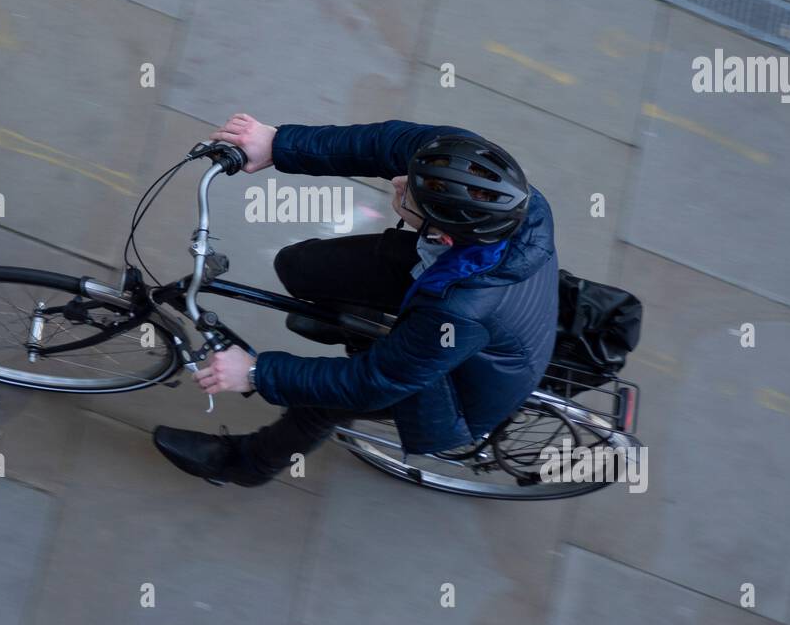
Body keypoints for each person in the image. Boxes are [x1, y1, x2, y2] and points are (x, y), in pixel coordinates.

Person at [153, 113, 559, 487]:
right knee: (301, 266)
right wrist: (277, 144)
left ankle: (247, 465)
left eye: (410, 200)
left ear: (444, 236)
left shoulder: (459, 312)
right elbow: (385, 143)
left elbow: (373, 383)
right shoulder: (485, 182)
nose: (398, 183)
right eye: (409, 178)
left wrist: (257, 372)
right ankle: (359, 332)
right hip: (446, 284)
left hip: (457, 385)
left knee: (324, 401)